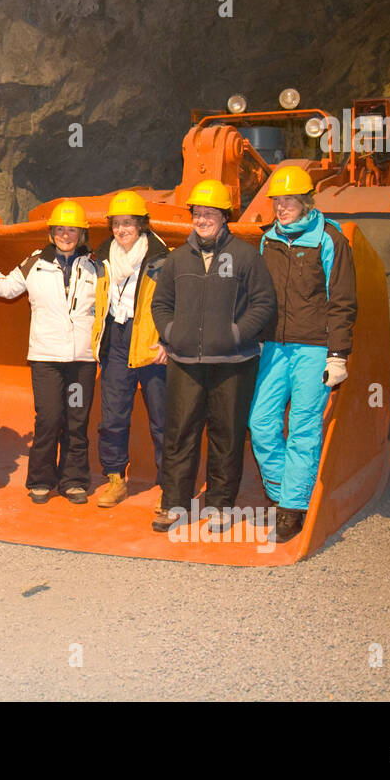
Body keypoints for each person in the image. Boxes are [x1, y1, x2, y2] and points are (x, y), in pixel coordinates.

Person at [150, 179, 276, 533]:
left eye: (210, 213)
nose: (202, 219)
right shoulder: (177, 259)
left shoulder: (246, 256)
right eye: (198, 213)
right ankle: (174, 504)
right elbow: (161, 304)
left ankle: (220, 506)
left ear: (224, 216)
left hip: (233, 364)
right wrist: (172, 334)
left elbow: (264, 303)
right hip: (185, 363)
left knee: (227, 436)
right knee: (180, 434)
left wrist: (235, 335)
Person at [249, 165, 357, 542]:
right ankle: (283, 491)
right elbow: (261, 296)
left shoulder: (330, 240)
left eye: (289, 201)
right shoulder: (268, 241)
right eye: (277, 201)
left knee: (303, 427)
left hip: (313, 348)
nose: (281, 208)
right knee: (260, 423)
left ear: (306, 202)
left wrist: (337, 354)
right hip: (274, 347)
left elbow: (342, 301)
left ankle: (291, 509)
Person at [0, 200, 99, 504]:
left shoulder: (96, 267)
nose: (66, 235)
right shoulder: (34, 263)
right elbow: (4, 288)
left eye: (72, 230)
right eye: (60, 229)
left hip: (81, 361)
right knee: (49, 418)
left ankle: (74, 481)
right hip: (46, 360)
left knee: (76, 421)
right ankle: (41, 480)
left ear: (82, 234)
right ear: (52, 232)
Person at [89, 190, 171, 508]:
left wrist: (168, 340)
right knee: (113, 416)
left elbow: (177, 302)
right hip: (116, 341)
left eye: (128, 223)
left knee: (163, 418)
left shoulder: (163, 258)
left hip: (150, 341)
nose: (122, 229)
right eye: (116, 223)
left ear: (141, 225)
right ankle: (115, 478)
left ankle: (170, 484)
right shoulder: (101, 258)